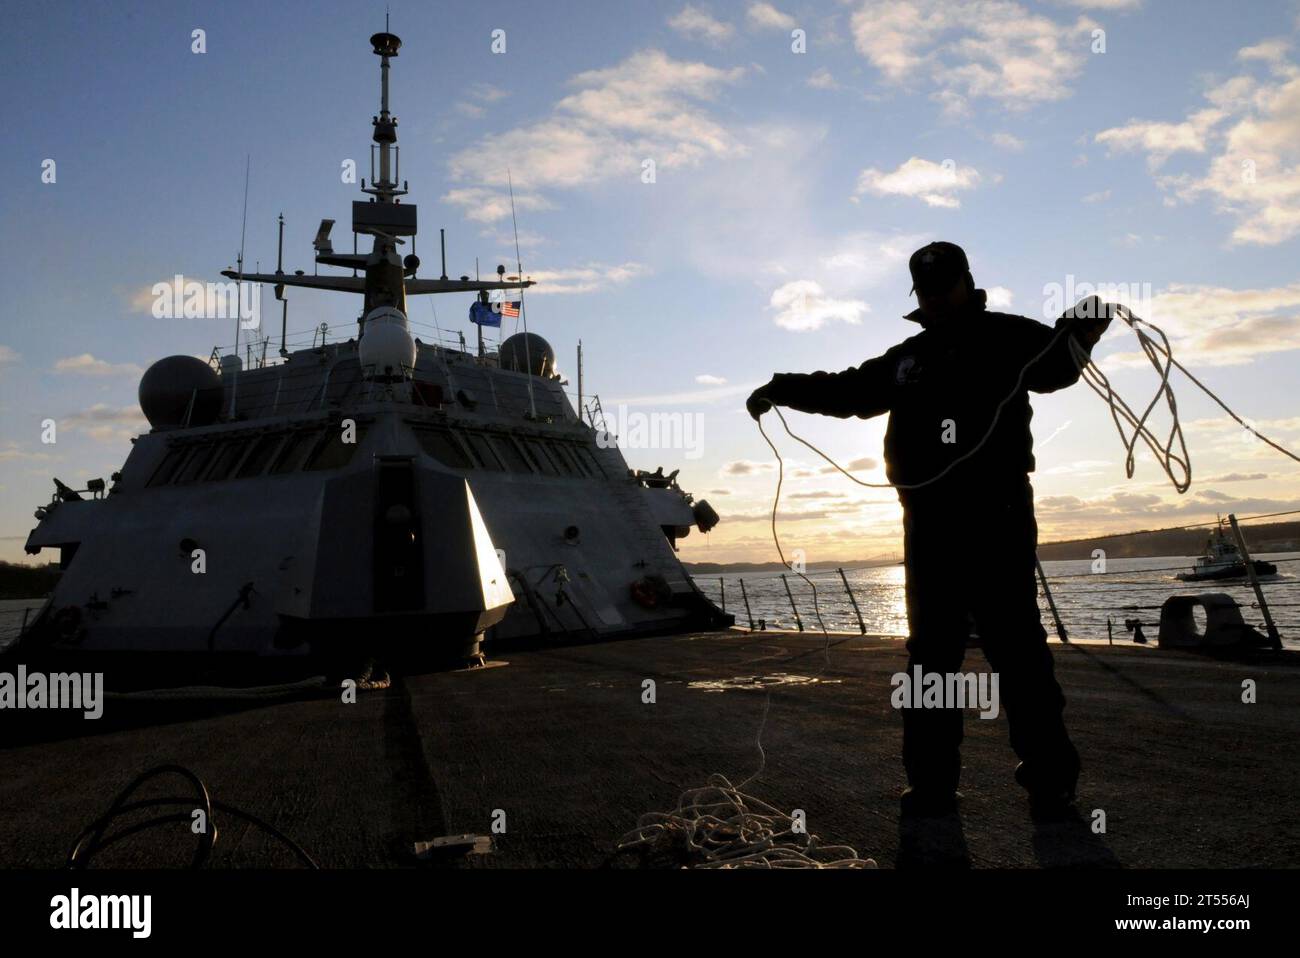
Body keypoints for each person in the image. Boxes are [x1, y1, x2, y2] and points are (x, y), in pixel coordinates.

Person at [747, 241, 1113, 818]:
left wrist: (1082, 327)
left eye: (945, 286)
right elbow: (849, 390)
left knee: (1017, 650)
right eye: (926, 290)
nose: (936, 297)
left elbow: (1056, 368)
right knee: (930, 660)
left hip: (998, 517)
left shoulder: (1008, 334)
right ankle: (933, 783)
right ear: (916, 295)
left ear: (967, 282)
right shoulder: (906, 357)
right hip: (928, 524)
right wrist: (781, 386)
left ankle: (1050, 777)